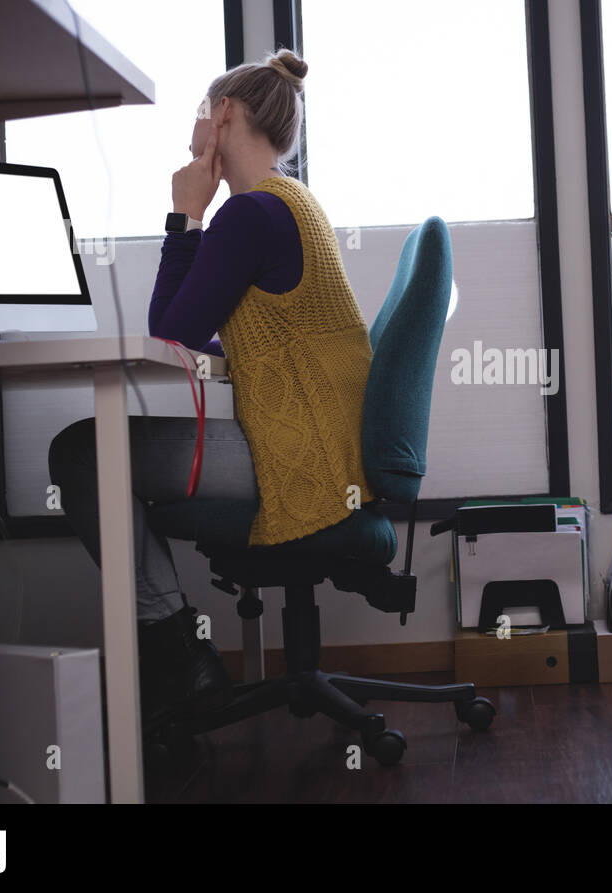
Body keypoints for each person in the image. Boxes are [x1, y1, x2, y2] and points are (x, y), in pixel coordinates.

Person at [48, 49, 375, 728]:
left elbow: (169, 327)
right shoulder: (293, 202)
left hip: (292, 457)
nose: (190, 131)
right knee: (94, 450)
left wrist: (184, 213)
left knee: (82, 453)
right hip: (321, 447)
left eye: (200, 112)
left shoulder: (249, 215)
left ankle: (176, 649)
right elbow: (229, 335)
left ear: (224, 113)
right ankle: (178, 651)